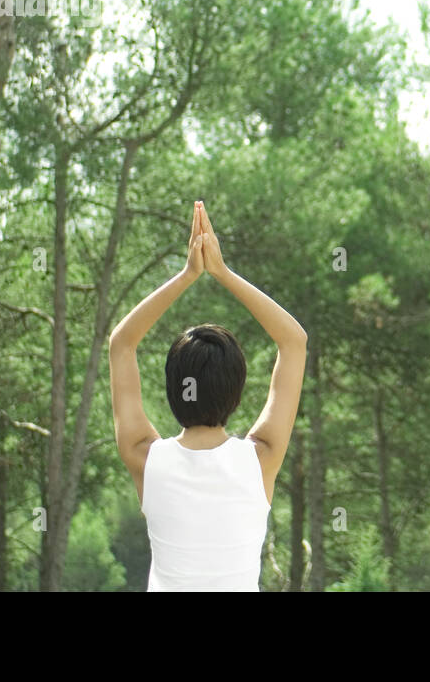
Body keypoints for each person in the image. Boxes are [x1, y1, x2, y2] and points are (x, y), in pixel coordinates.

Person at [108, 200, 308, 591]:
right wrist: (221, 271)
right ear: (236, 392)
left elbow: (121, 344)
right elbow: (293, 341)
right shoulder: (261, 458)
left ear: (172, 390)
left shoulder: (145, 457)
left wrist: (187, 274)